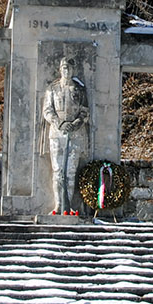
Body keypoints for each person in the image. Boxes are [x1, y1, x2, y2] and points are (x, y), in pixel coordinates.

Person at [43, 55, 90, 211]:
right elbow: (47, 110)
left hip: (76, 134)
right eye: (64, 68)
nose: (67, 71)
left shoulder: (80, 89)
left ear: (73, 70)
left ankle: (67, 205)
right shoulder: (52, 88)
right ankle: (58, 204)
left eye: (69, 68)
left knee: (70, 170)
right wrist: (60, 123)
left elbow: (85, 111)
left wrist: (76, 123)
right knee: (58, 170)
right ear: (60, 69)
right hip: (57, 133)